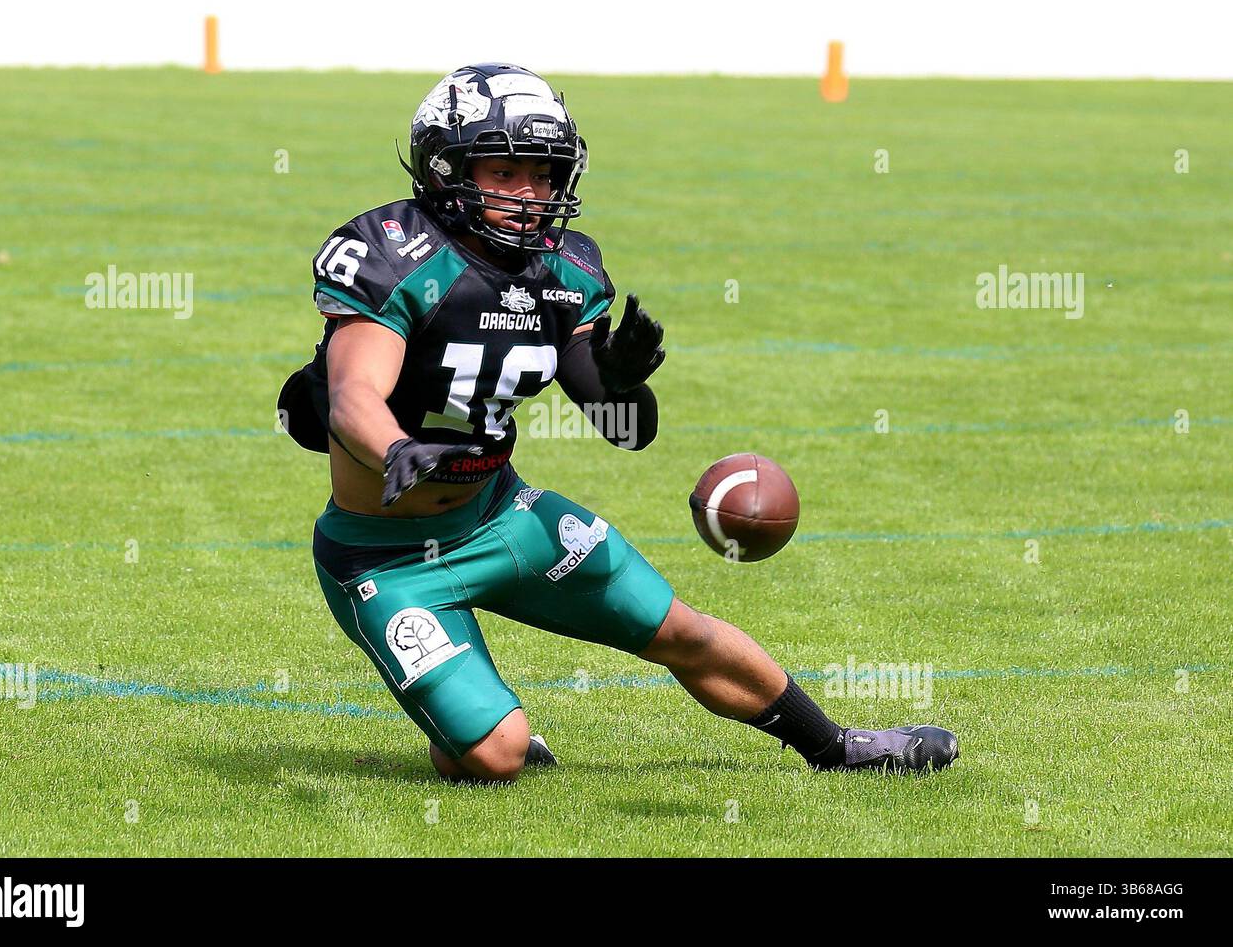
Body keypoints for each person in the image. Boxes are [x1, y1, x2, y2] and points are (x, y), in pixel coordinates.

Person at [278, 63, 958, 783]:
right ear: (445, 168)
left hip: (502, 515)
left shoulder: (563, 270)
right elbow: (355, 394)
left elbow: (625, 431)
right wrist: (395, 447)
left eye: (544, 173)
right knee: (496, 757)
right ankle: (471, 726)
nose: (531, 194)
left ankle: (839, 748)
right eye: (505, 171)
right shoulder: (395, 253)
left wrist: (624, 380)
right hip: (387, 558)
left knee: (678, 628)